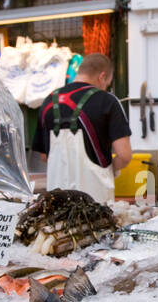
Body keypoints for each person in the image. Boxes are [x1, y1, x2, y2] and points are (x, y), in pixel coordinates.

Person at [31, 53, 132, 202]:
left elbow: (45, 156)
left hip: (56, 203)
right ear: (102, 76)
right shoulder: (108, 101)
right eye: (107, 83)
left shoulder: (48, 102)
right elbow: (124, 155)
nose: (105, 88)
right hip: (96, 202)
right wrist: (110, 170)